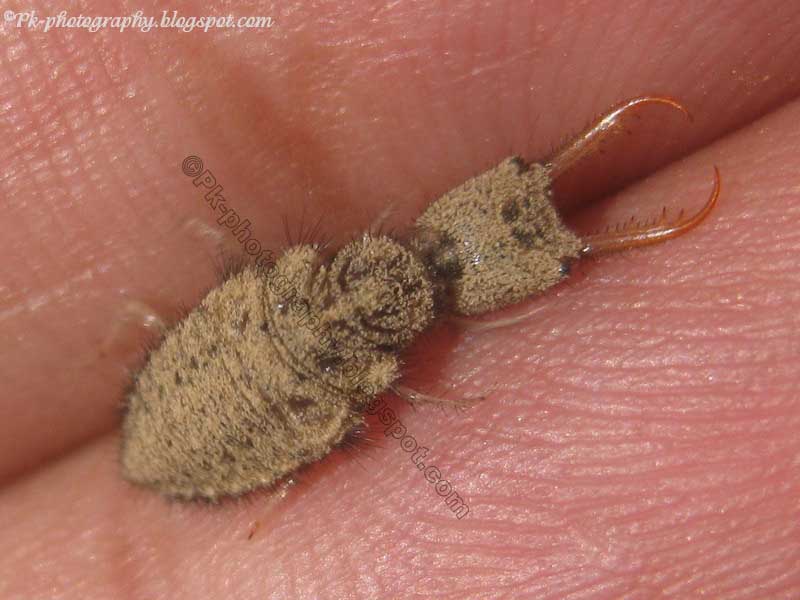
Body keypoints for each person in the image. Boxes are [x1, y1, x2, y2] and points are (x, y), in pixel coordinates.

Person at [1, 2, 798, 597]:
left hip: (248, 388)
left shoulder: (324, 326)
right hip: (195, 421)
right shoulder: (356, 352)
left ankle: (570, 230)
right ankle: (570, 229)